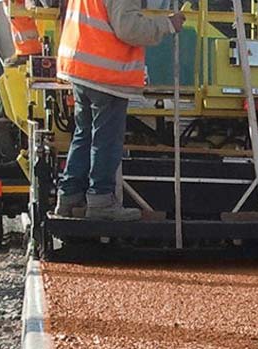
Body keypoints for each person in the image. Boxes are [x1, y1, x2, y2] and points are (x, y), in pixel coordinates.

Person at [54, 0, 183, 221]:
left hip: (81, 67)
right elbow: (129, 29)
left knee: (83, 134)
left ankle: (69, 197)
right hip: (105, 74)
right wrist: (167, 24)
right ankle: (101, 201)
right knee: (106, 139)